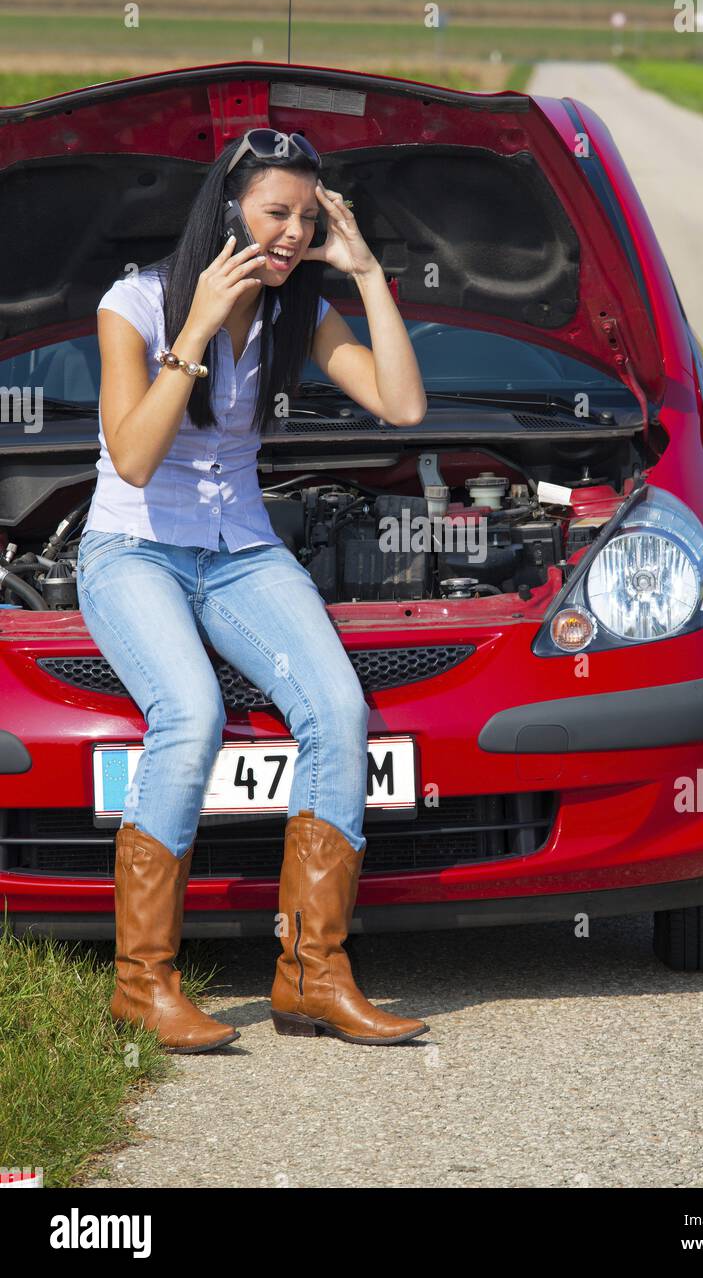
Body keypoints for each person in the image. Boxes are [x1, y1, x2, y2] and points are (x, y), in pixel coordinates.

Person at [77, 128, 429, 1052]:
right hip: (133, 548)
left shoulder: (298, 311)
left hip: (241, 549)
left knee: (338, 711)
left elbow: (403, 406)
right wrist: (193, 329)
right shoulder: (136, 303)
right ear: (229, 208)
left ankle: (313, 974)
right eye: (277, 212)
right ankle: (143, 985)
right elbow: (136, 459)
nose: (289, 234)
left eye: (307, 220)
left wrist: (365, 273)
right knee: (188, 713)